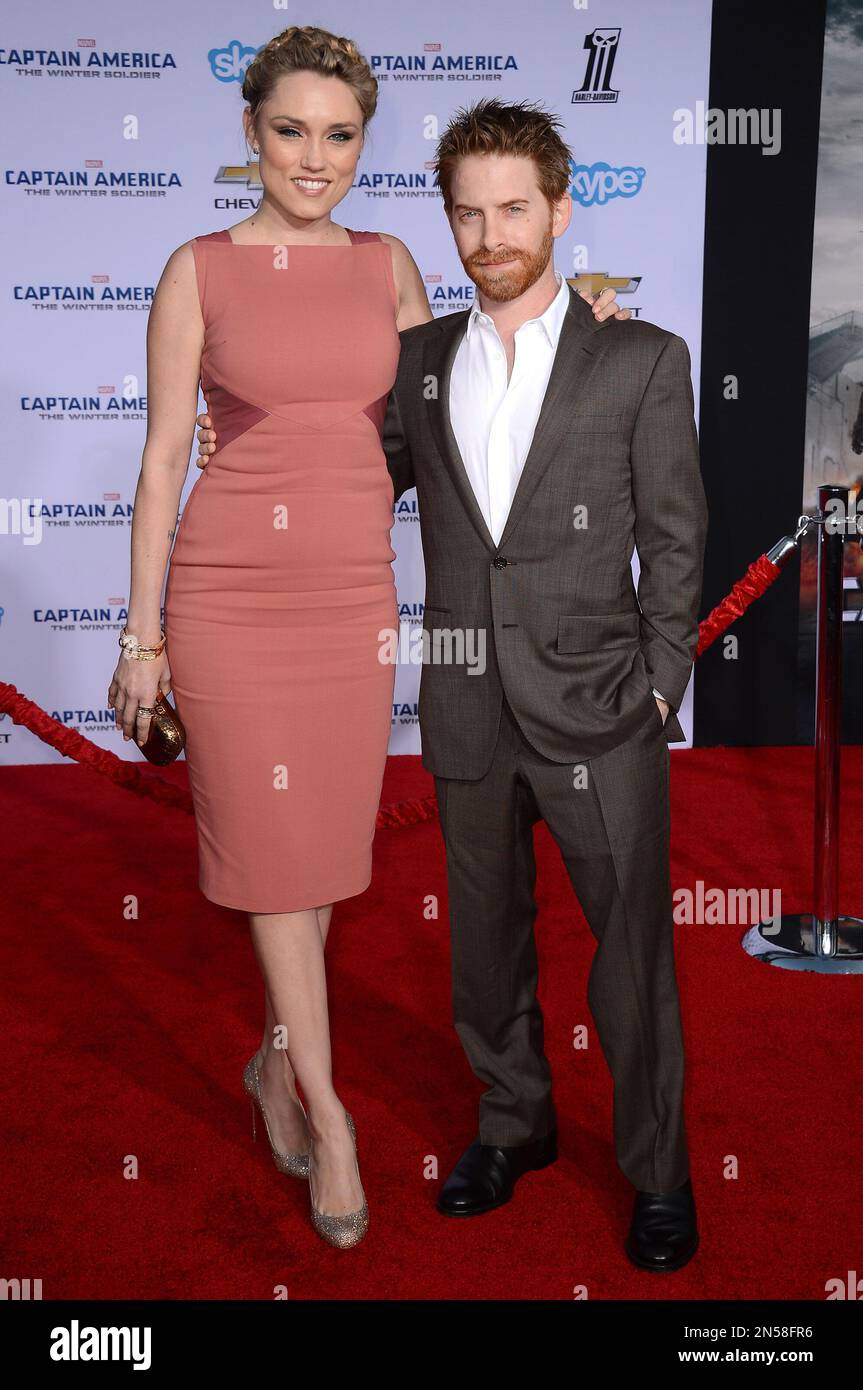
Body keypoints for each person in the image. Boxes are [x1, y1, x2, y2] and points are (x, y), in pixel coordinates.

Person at [109, 30, 627, 1253]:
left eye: (339, 134)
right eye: (290, 130)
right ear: (250, 134)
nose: (314, 156)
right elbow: (161, 461)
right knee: (274, 862)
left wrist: (579, 303)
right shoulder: (195, 269)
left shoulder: (389, 264)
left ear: (361, 143)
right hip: (228, 600)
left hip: (350, 604)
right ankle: (330, 1112)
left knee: (323, 863)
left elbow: (465, 382)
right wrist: (141, 640)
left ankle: (272, 1060)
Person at [198, 95, 708, 1272]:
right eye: (467, 214)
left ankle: (656, 1171)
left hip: (601, 710)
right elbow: (342, 466)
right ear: (448, 224)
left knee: (628, 957)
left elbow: (677, 543)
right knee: (481, 948)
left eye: (512, 209)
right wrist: (239, 431)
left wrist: (654, 689)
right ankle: (511, 1125)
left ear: (559, 209)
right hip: (466, 698)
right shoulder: (415, 362)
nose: (489, 235)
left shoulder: (637, 356)